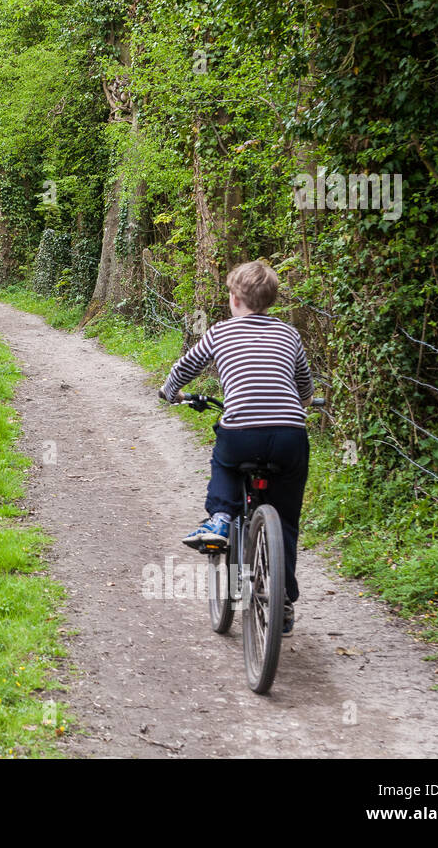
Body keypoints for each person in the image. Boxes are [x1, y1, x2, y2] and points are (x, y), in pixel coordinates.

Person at [159, 260, 315, 635]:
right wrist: (305, 401)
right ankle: (284, 601)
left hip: (242, 431)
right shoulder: (289, 335)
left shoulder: (220, 333)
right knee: (287, 520)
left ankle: (221, 518)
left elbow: (186, 366)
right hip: (290, 436)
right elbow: (305, 387)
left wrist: (169, 392)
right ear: (270, 300)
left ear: (234, 298)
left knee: (225, 461)